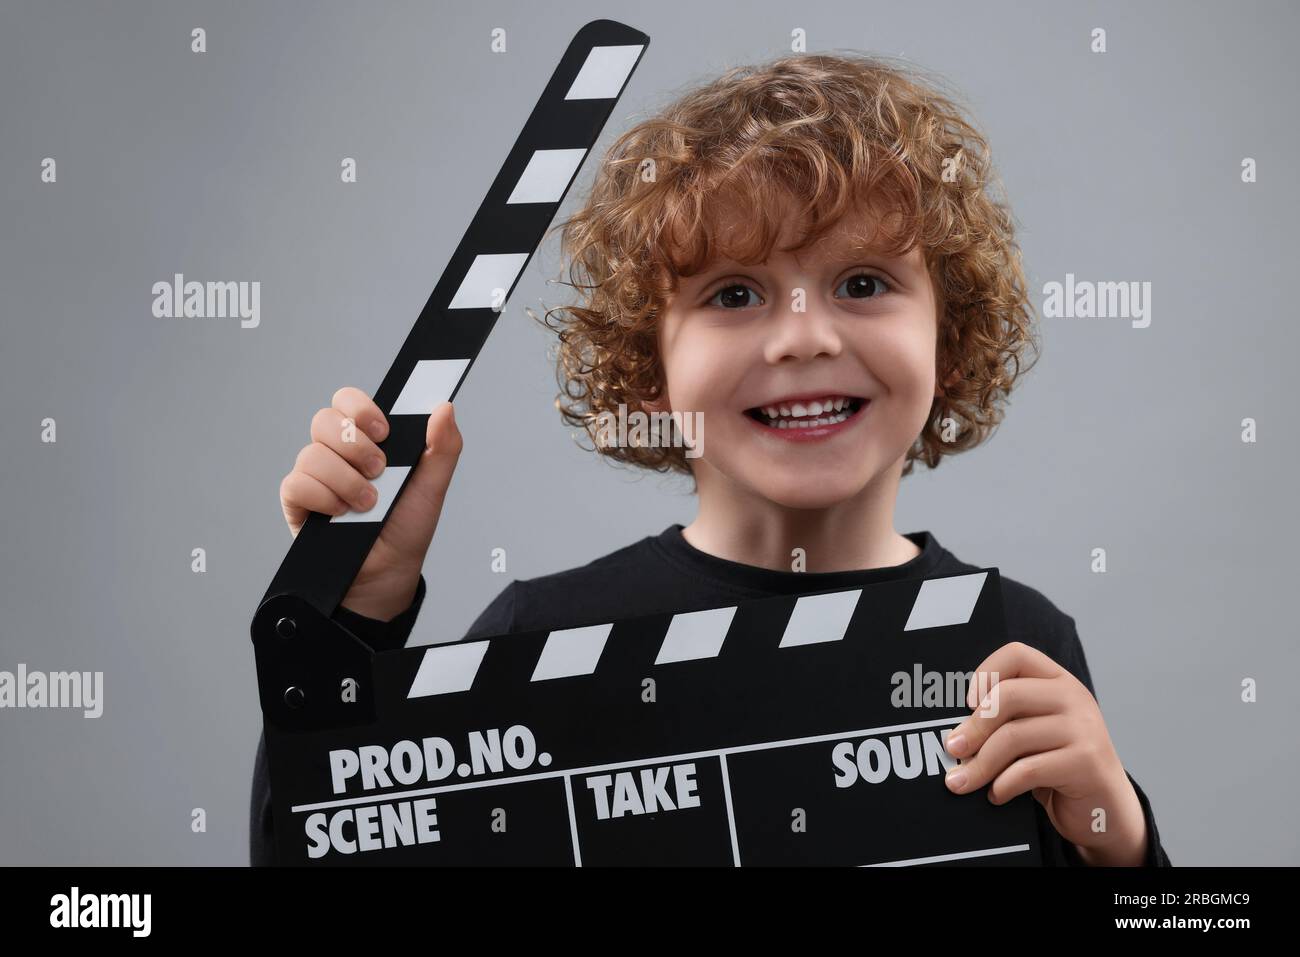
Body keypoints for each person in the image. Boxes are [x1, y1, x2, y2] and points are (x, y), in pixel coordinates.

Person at [252, 52, 1170, 867]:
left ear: (951, 342)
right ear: (649, 374)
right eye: (735, 293)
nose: (802, 338)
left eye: (863, 283)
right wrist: (356, 613)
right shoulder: (539, 636)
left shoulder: (1015, 640)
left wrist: (1120, 839)